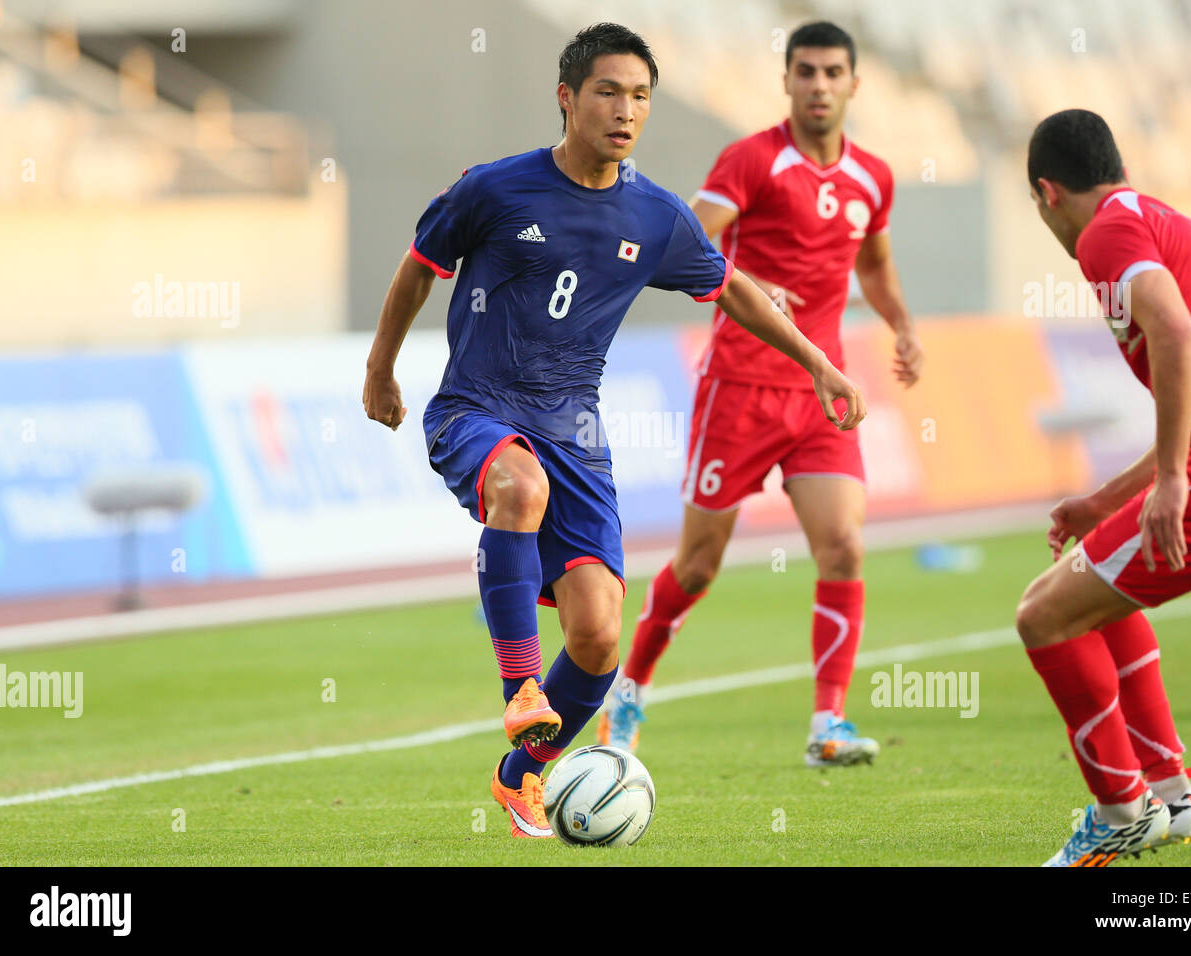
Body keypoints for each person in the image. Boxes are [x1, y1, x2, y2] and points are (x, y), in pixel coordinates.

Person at [363, 22, 866, 839]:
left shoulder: (656, 216)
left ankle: (520, 776)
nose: (625, 110)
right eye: (607, 91)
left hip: (577, 436)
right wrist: (381, 370)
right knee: (515, 486)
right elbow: (420, 265)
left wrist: (819, 364)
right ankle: (520, 691)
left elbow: (732, 290)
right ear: (566, 98)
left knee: (598, 637)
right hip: (477, 408)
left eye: (639, 96)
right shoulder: (494, 190)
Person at [599, 21, 922, 767]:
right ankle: (630, 690)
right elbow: (690, 241)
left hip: (822, 386)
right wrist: (752, 285)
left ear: (853, 84)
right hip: (740, 387)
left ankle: (828, 723)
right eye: (804, 71)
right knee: (699, 565)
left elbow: (872, 262)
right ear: (786, 81)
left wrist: (902, 324)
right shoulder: (751, 160)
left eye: (832, 72)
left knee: (843, 543)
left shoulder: (873, 176)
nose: (818, 85)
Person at [1018, 108, 1191, 866]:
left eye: (1042, 209)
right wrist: (1108, 500)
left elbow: (1176, 334)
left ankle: (1119, 811)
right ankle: (1170, 791)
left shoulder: (1105, 233)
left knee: (1042, 616)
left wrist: (1170, 479)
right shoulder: (1161, 218)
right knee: (1092, 591)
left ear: (1048, 192)